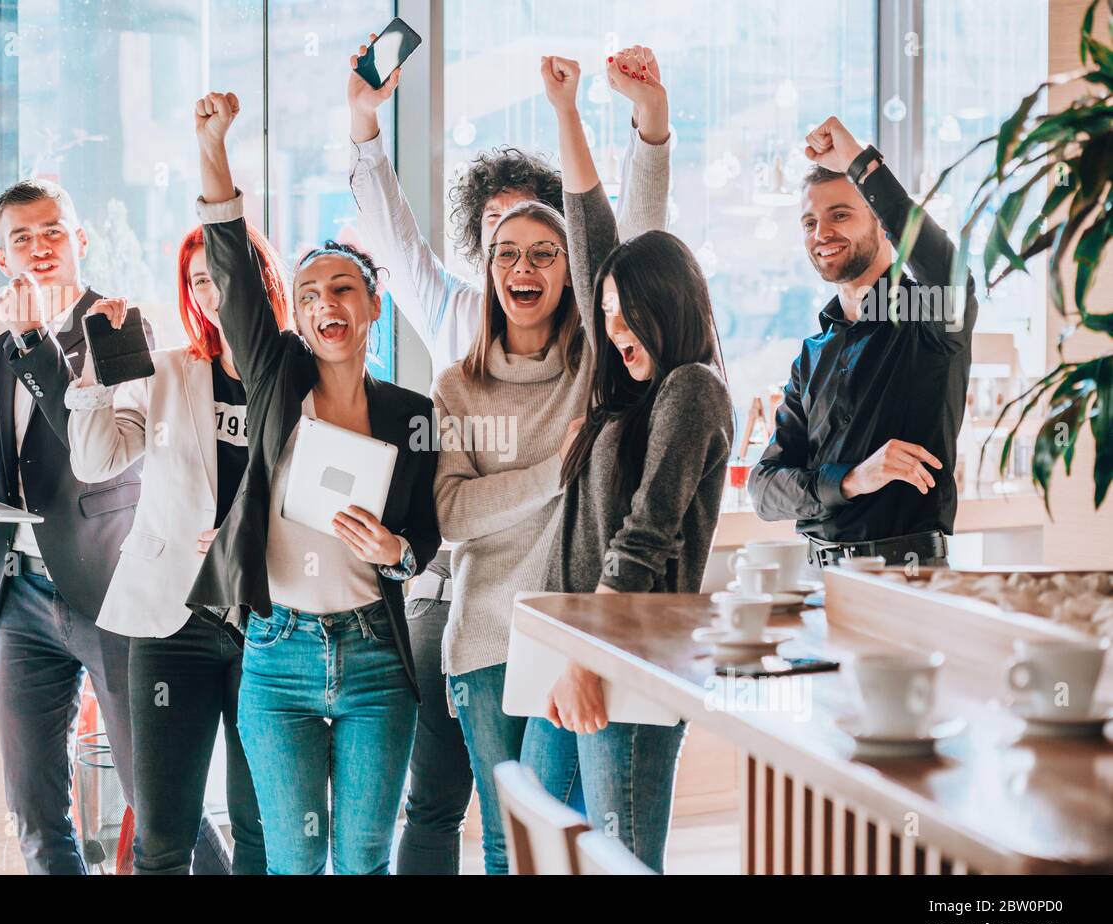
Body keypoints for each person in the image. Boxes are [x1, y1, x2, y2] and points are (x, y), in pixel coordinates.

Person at [348, 38, 672, 875]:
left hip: (572, 624)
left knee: (562, 833)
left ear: (570, 266)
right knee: (498, 835)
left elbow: (630, 234)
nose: (521, 260)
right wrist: (363, 127)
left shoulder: (597, 359)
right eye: (502, 244)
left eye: (544, 246)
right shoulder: (455, 370)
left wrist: (640, 123)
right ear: (482, 255)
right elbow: (450, 512)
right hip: (479, 624)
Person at [185, 90, 441, 875]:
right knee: (296, 858)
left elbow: (425, 539)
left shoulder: (412, 413)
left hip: (373, 657)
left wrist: (396, 546)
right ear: (293, 317)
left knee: (363, 857)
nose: (325, 303)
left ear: (373, 304)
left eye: (343, 290)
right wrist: (215, 148)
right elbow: (230, 270)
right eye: (309, 295)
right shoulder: (274, 380)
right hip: (278, 654)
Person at [518, 54, 734, 874]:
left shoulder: (691, 388)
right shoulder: (631, 393)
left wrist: (587, 659)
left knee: (620, 861)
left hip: (621, 655)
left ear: (669, 304)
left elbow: (643, 540)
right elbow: (593, 248)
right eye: (603, 314)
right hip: (582, 641)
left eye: (625, 313)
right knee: (546, 852)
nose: (611, 328)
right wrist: (567, 112)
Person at [0, 179, 149, 874]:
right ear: (1, 257)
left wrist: (34, 338)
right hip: (21, 601)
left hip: (110, 592)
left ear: (80, 239)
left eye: (52, 232)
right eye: (21, 239)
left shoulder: (120, 326)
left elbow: (93, 454)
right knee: (35, 814)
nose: (39, 249)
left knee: (157, 799)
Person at [61, 224, 281, 874]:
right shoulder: (167, 373)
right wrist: (97, 364)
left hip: (266, 623)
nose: (209, 292)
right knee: (161, 836)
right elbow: (97, 458)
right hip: (171, 625)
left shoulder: (296, 376)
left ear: (258, 276)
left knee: (262, 826)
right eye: (197, 280)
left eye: (220, 273)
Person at [747, 116, 978, 569]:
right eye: (809, 222)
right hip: (819, 579)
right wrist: (851, 480)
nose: (821, 234)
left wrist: (858, 162)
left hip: (907, 575)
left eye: (840, 214)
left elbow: (948, 269)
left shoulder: (928, 319)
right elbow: (764, 488)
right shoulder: (813, 353)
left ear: (881, 224)